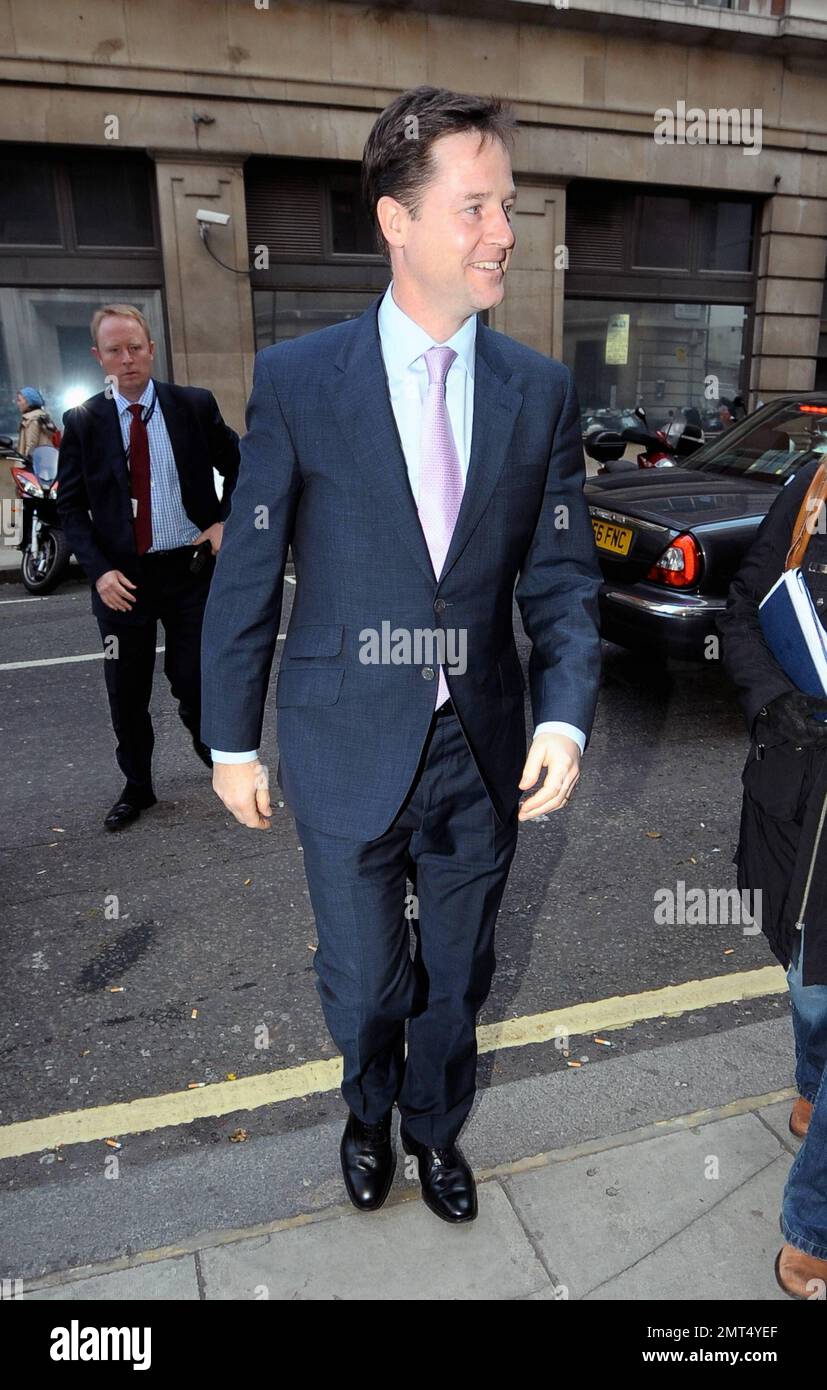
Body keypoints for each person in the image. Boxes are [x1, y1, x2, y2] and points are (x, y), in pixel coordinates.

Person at [201, 86, 602, 1225]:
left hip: (478, 749)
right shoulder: (298, 381)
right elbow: (248, 571)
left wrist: (562, 714)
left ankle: (432, 1128)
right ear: (396, 220)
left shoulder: (539, 392)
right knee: (367, 982)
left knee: (458, 981)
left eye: (507, 206)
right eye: (474, 207)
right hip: (341, 742)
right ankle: (364, 1105)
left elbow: (562, 578)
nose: (504, 233)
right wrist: (231, 738)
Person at [56, 303, 240, 831]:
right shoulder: (83, 421)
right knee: (127, 692)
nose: (127, 358)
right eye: (114, 350)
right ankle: (138, 787)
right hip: (122, 581)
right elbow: (69, 506)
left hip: (190, 571)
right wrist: (98, 571)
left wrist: (225, 523)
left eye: (135, 347)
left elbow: (243, 466)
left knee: (195, 681)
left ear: (151, 349)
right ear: (98, 357)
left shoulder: (192, 406)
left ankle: (220, 767)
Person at [718, 456, 827, 1298]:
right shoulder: (814, 483)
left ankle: (811, 1221)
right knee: (811, 987)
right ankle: (809, 1083)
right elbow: (744, 607)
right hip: (805, 782)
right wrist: (766, 698)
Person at [15, 387, 56, 461]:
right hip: (45, 463)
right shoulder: (42, 416)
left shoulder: (32, 420)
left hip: (33, 466)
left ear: (29, 401)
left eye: (19, 400)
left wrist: (25, 463)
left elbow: (31, 446)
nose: (17, 403)